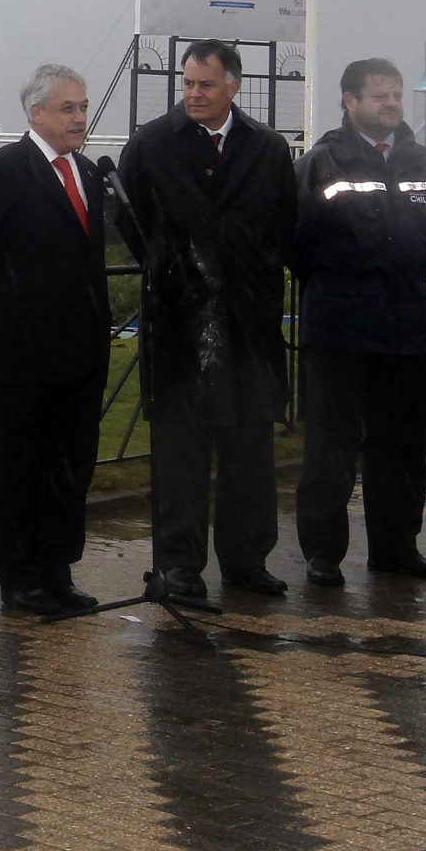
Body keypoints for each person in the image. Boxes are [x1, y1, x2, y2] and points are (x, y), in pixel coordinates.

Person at [118, 40, 299, 600]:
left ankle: (246, 560)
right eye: (188, 83)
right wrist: (175, 269)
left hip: (249, 324)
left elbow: (285, 223)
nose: (194, 94)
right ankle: (179, 566)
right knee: (181, 454)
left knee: (249, 450)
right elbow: (132, 223)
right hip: (178, 325)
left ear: (234, 87)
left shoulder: (267, 149)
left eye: (206, 85)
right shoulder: (150, 145)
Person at [0, 63, 113, 616]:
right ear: (36, 113)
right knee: (24, 469)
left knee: (73, 467)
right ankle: (19, 577)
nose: (79, 118)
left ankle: (58, 570)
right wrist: (1, 309)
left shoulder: (90, 173)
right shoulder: (4, 170)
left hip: (84, 350)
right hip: (27, 350)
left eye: (83, 107)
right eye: (67, 108)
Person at [290, 57, 426, 586]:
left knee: (402, 448)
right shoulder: (323, 163)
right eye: (379, 96)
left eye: (396, 96)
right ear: (350, 101)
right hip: (341, 326)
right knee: (331, 448)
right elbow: (299, 243)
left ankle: (396, 548)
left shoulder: (422, 161)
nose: (390, 105)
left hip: (405, 327)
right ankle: (323, 554)